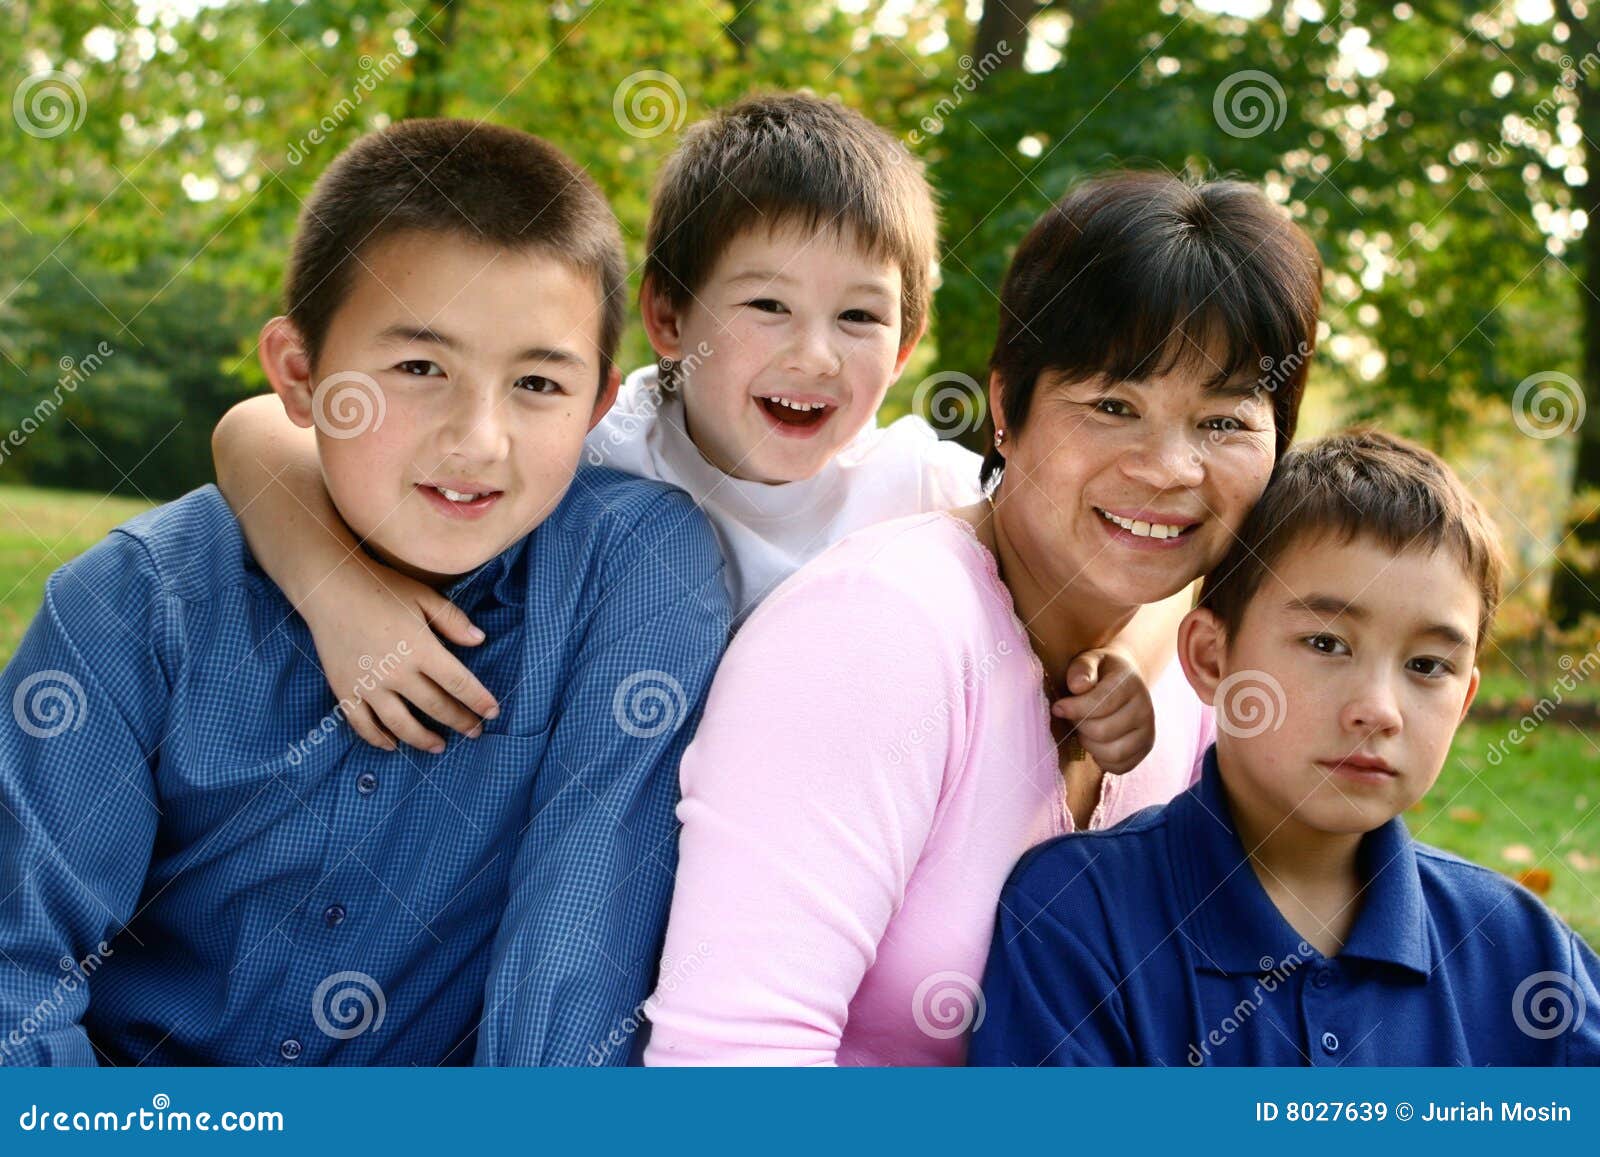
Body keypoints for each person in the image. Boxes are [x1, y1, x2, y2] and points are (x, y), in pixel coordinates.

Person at [0, 119, 730, 1066]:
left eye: (538, 383)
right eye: (420, 368)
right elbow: (17, 975)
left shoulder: (629, 575)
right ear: (299, 375)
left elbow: (572, 974)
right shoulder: (135, 602)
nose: (479, 440)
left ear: (598, 404)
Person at [643, 170, 1325, 1065]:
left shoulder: (1206, 669)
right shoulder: (878, 631)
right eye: (1113, 406)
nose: (1169, 467)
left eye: (1224, 422)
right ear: (1007, 406)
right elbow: (729, 1065)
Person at [971, 429, 1600, 1066]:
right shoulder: (1079, 917)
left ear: (1463, 702)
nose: (1379, 710)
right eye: (1326, 644)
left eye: (1428, 666)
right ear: (1211, 659)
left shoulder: (1522, 952)